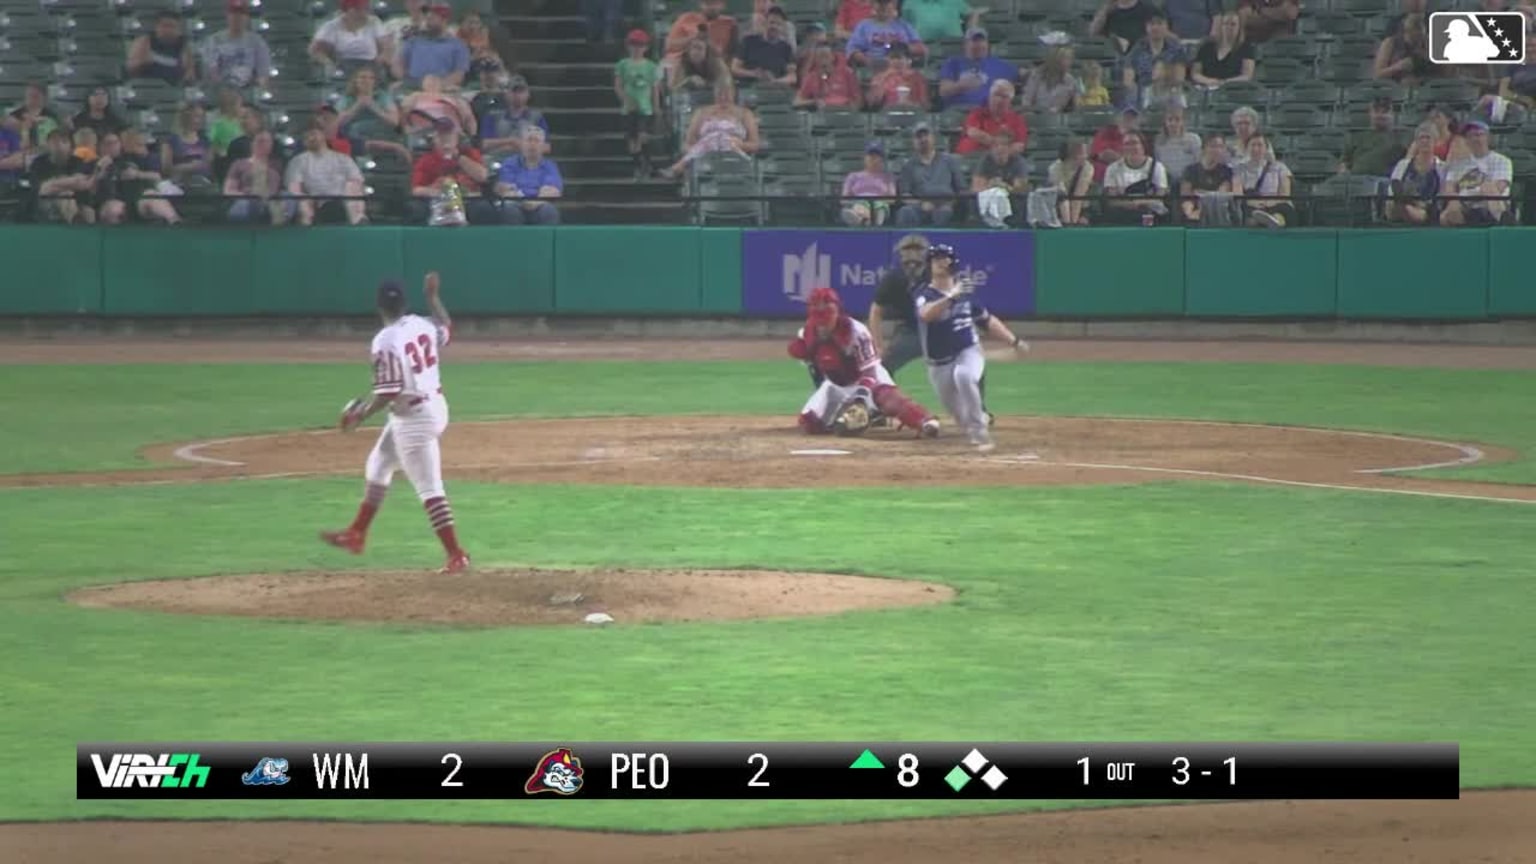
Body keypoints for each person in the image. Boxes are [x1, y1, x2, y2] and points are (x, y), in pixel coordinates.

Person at [323, 272, 471, 575]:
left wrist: (359, 415)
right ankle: (357, 533)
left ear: (378, 306)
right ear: (405, 304)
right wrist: (433, 298)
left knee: (429, 488)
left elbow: (389, 390)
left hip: (414, 418)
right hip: (430, 406)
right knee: (379, 464)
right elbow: (447, 327)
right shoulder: (421, 324)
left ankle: (456, 554)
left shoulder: (384, 340)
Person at [915, 243, 1027, 452]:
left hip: (968, 350)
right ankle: (976, 421)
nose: (940, 262)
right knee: (958, 415)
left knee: (964, 376)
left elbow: (987, 320)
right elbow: (926, 314)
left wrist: (1014, 341)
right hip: (938, 363)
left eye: (944, 258)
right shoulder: (925, 294)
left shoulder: (964, 292)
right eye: (935, 259)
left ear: (952, 263)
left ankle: (980, 435)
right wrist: (950, 297)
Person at [788, 287, 939, 437]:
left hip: (869, 380)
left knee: (890, 401)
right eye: (819, 321)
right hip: (836, 385)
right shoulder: (807, 335)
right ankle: (863, 416)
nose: (823, 326)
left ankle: (925, 421)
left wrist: (860, 401)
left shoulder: (857, 332)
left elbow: (869, 372)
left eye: (827, 319)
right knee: (810, 423)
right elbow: (815, 367)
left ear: (837, 312)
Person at [869, 234, 931, 375]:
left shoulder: (936, 273)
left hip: (940, 330)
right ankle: (886, 396)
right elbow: (876, 310)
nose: (913, 255)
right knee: (883, 368)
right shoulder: (893, 278)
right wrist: (878, 345)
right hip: (913, 331)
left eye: (918, 249)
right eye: (908, 249)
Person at [616, 29, 663, 179]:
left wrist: (656, 107)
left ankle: (647, 164)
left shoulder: (651, 66)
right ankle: (637, 166)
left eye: (640, 45)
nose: (637, 49)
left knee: (643, 136)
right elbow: (618, 85)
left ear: (646, 47)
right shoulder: (622, 64)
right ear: (628, 46)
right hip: (629, 108)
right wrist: (625, 100)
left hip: (645, 108)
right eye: (634, 45)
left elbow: (654, 88)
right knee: (632, 140)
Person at [494, 127, 563, 225]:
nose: (532, 144)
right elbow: (505, 189)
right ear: (522, 144)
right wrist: (524, 202)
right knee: (509, 210)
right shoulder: (510, 163)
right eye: (529, 140)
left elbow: (552, 191)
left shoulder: (550, 166)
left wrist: (533, 203)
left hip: (540, 205)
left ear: (543, 146)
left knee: (549, 211)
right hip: (515, 204)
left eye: (537, 141)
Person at [938, 28, 1020, 112]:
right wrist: (960, 86)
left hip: (989, 113)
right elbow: (943, 92)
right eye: (975, 41)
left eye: (982, 41)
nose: (979, 44)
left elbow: (1022, 75)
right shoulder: (953, 63)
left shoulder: (1002, 66)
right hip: (960, 112)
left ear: (987, 44)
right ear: (965, 44)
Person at [200, 0, 273, 90]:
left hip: (248, 92)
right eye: (233, 13)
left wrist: (255, 88)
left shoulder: (257, 42)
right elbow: (210, 71)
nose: (237, 17)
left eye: (241, 14)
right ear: (227, 16)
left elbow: (263, 74)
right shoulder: (214, 40)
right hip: (221, 91)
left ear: (247, 18)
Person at [1384, 122, 1443, 225]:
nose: (1425, 141)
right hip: (1403, 200)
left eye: (1428, 138)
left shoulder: (1442, 168)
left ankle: (1404, 209)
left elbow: (1442, 195)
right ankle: (1402, 208)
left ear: (1436, 141)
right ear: (1416, 142)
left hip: (1427, 209)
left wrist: (1421, 204)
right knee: (1392, 204)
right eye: (1421, 138)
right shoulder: (1403, 165)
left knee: (1417, 211)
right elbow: (1392, 189)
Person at [311, 0, 393, 74]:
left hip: (369, 66)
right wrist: (328, 63)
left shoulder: (374, 22)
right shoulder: (332, 26)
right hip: (343, 66)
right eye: (361, 8)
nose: (366, 11)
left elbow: (386, 45)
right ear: (350, 10)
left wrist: (381, 59)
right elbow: (315, 49)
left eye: (366, 8)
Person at [1233, 132, 1294, 227]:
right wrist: (1253, 202)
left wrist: (1270, 202)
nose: (1256, 149)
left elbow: (1285, 194)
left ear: (1266, 148)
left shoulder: (1280, 167)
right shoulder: (1239, 169)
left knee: (1284, 209)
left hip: (1276, 203)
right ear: (1247, 148)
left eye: (1260, 145)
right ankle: (1261, 221)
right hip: (1252, 205)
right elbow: (1238, 193)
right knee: (1248, 213)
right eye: (1253, 145)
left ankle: (1274, 220)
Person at [955, 79, 1028, 157]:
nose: (999, 100)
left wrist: (1001, 154)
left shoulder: (1017, 120)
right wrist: (999, 144)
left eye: (1004, 97)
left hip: (998, 162)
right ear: (989, 97)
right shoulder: (977, 113)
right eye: (996, 95)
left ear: (1010, 100)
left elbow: (1019, 146)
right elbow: (973, 132)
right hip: (968, 158)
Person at [847, 0, 926, 67]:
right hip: (875, 65)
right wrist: (868, 61)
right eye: (880, 3)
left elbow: (921, 49)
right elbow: (853, 50)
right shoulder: (864, 26)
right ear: (873, 4)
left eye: (887, 3)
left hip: (901, 66)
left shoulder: (904, 25)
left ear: (894, 4)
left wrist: (903, 46)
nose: (883, 7)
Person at [733, 4, 797, 87]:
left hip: (775, 90)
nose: (774, 27)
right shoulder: (748, 41)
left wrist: (775, 81)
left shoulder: (787, 48)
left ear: (783, 27)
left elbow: (792, 77)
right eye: (771, 22)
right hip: (749, 89)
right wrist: (754, 74)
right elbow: (734, 69)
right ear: (765, 22)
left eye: (779, 24)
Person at [1179, 133, 1235, 223]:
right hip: (1194, 212)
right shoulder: (1190, 170)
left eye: (1220, 147)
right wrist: (1190, 213)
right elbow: (1186, 197)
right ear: (1204, 149)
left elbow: (1220, 196)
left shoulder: (1227, 171)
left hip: (1217, 213)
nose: (1217, 150)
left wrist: (1199, 193)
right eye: (1213, 146)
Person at [841, 140, 898, 226]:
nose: (873, 158)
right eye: (870, 155)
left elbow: (892, 199)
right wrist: (861, 203)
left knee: (880, 208)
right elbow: (844, 199)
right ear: (864, 158)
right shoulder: (853, 176)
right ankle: (865, 219)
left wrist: (874, 202)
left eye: (876, 156)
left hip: (880, 204)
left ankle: (868, 220)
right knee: (857, 207)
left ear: (882, 159)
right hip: (859, 203)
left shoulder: (888, 177)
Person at [127, 11, 194, 84]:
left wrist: (187, 78)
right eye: (165, 26)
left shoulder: (184, 46)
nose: (168, 30)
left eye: (172, 26)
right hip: (147, 86)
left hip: (174, 89)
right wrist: (142, 63)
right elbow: (130, 69)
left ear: (179, 30)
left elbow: (190, 74)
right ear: (157, 27)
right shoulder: (144, 42)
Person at [1190, 12, 1256, 86]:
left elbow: (1247, 76)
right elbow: (1195, 73)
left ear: (1239, 28)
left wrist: (1225, 82)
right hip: (1207, 88)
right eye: (1225, 24)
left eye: (1233, 24)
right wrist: (1209, 81)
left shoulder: (1246, 48)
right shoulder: (1206, 47)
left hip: (1232, 90)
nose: (1229, 27)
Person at [795, 40, 862, 109]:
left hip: (844, 112)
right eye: (820, 57)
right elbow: (797, 102)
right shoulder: (811, 77)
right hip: (821, 113)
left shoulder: (847, 73)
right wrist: (813, 102)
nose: (823, 60)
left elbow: (857, 100)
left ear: (832, 57)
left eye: (826, 56)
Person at [865, 42, 928, 110]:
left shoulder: (917, 77)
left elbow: (925, 104)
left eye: (899, 58)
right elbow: (871, 103)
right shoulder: (879, 77)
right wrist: (883, 80)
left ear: (908, 60)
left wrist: (910, 105)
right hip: (886, 113)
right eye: (892, 58)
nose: (896, 62)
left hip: (912, 112)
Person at [1020, 45, 1079, 114]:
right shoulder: (1036, 76)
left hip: (1058, 119)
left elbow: (1071, 105)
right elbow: (1027, 102)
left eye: (1071, 59)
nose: (1070, 63)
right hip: (1035, 117)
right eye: (1066, 59)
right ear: (1055, 60)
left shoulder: (1070, 80)